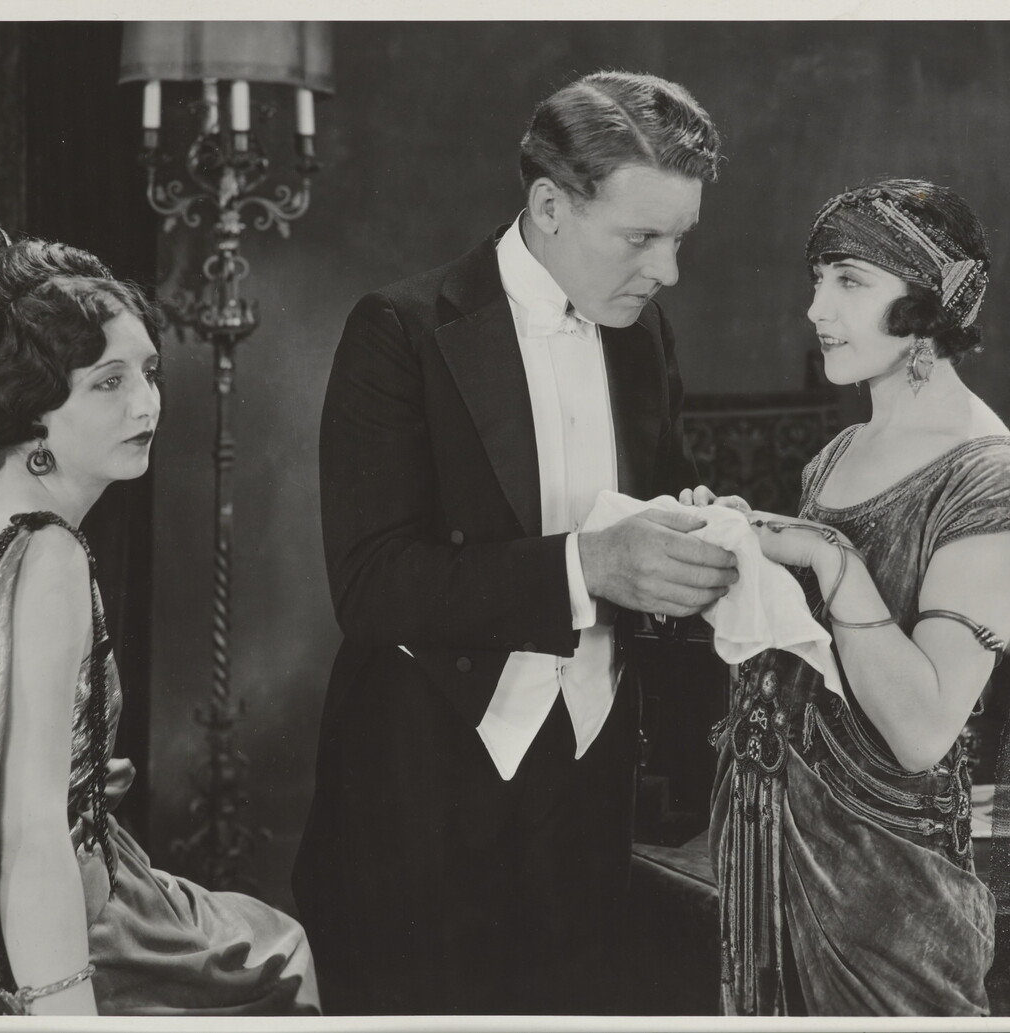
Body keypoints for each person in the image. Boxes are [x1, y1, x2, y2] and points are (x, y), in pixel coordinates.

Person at [293, 71, 738, 1015]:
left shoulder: (643, 334)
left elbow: (648, 512)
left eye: (679, 240)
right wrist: (591, 565)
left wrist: (691, 538)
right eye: (641, 238)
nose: (667, 272)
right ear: (547, 206)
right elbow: (371, 586)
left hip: (592, 781)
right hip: (421, 788)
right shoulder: (399, 331)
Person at [0, 227, 321, 1016]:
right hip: (27, 926)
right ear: (36, 404)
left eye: (147, 372)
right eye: (107, 383)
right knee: (276, 952)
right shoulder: (48, 558)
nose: (146, 403)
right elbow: (29, 826)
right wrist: (62, 1005)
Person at [704, 179, 1010, 1016]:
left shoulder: (991, 477)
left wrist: (827, 555)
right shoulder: (840, 452)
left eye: (848, 279)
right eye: (817, 279)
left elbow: (921, 730)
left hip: (888, 892)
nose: (815, 306)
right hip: (770, 850)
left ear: (927, 301)